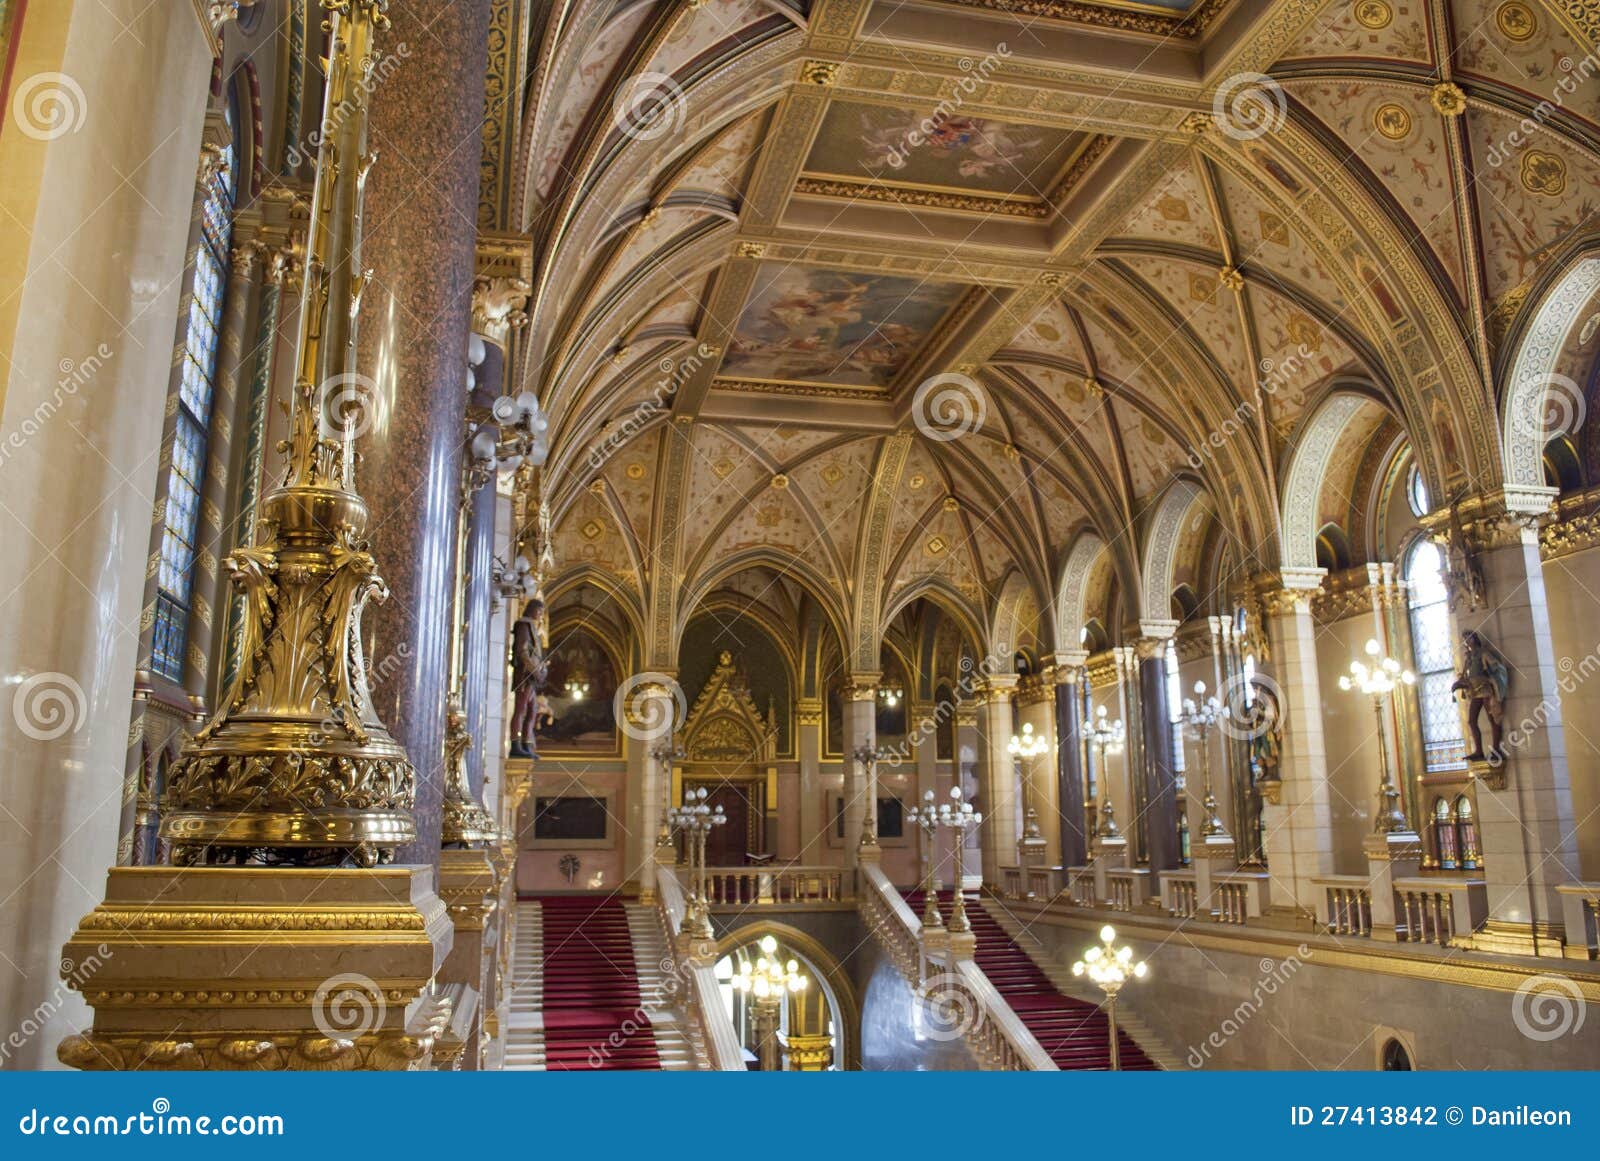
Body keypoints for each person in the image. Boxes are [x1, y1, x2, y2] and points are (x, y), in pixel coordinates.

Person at [1451, 630, 1509, 761]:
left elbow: (1494, 665)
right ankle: (1478, 751)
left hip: (1485, 690)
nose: (1467, 642)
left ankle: (1496, 749)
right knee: (1471, 720)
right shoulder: (1469, 658)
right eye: (1465, 639)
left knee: (1492, 719)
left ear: (1475, 639)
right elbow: (1466, 676)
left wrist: (1489, 677)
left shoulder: (1483, 653)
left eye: (1469, 638)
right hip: (1475, 692)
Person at [508, 596, 547, 758]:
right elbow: (522, 652)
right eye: (539, 611)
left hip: (531, 677)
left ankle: (526, 744)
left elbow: (535, 654)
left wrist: (542, 668)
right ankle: (515, 745)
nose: (540, 615)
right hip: (525, 674)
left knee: (532, 711)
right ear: (532, 610)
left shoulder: (532, 627)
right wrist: (535, 671)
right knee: (521, 709)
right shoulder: (524, 625)